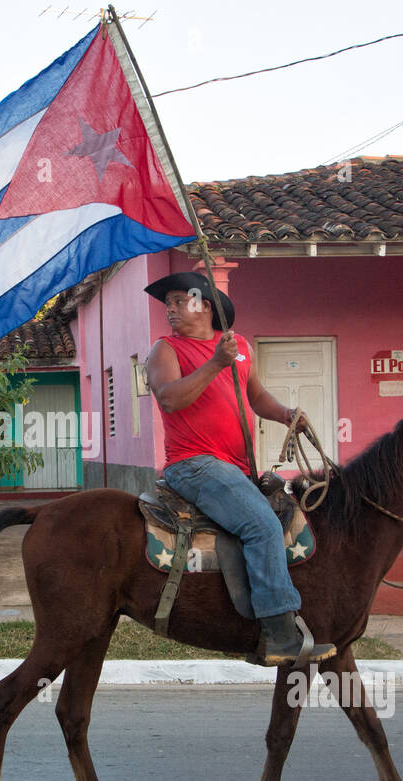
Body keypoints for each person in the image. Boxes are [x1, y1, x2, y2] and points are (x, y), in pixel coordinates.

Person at [143, 271, 335, 667]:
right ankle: (279, 635)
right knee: (262, 525)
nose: (171, 310)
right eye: (169, 304)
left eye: (180, 301)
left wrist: (285, 414)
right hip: (194, 464)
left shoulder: (239, 346)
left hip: (238, 467)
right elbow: (169, 400)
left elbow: (257, 395)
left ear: (206, 305)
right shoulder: (165, 349)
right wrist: (215, 364)